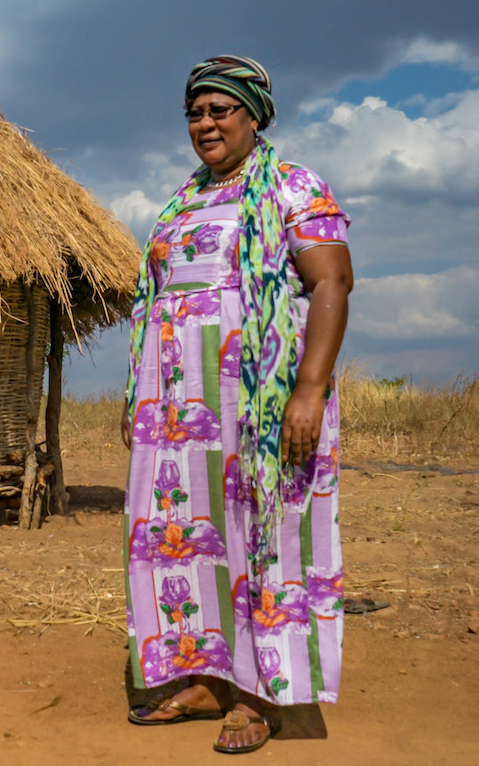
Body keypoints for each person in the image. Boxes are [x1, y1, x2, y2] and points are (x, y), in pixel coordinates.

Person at [121, 55, 353, 755]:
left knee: (263, 534)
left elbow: (333, 283)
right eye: (195, 112)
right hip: (181, 414)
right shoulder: (184, 200)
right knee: (186, 535)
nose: (205, 123)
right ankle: (206, 675)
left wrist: (308, 390)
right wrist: (144, 394)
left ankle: (260, 694)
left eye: (220, 109)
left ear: (255, 115)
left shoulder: (292, 186)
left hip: (259, 404)